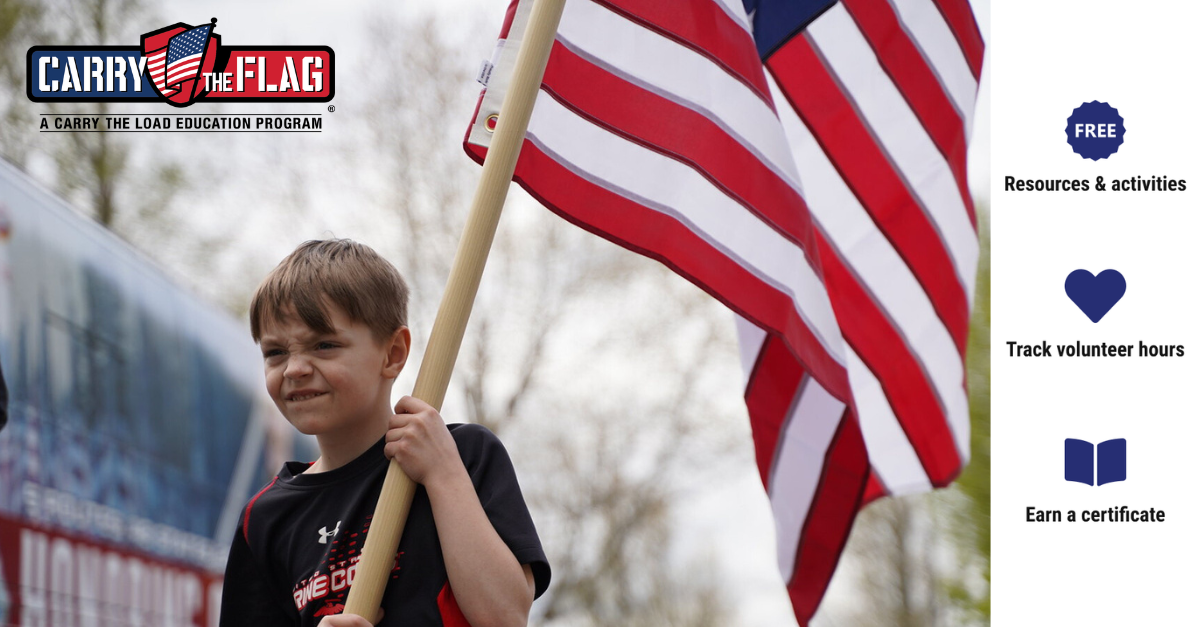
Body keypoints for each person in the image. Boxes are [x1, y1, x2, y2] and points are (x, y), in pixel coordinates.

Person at [220, 239, 550, 627]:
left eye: (324, 345)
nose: (294, 369)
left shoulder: (462, 455)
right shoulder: (262, 519)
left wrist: (442, 473)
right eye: (275, 352)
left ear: (393, 353)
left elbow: (505, 618)